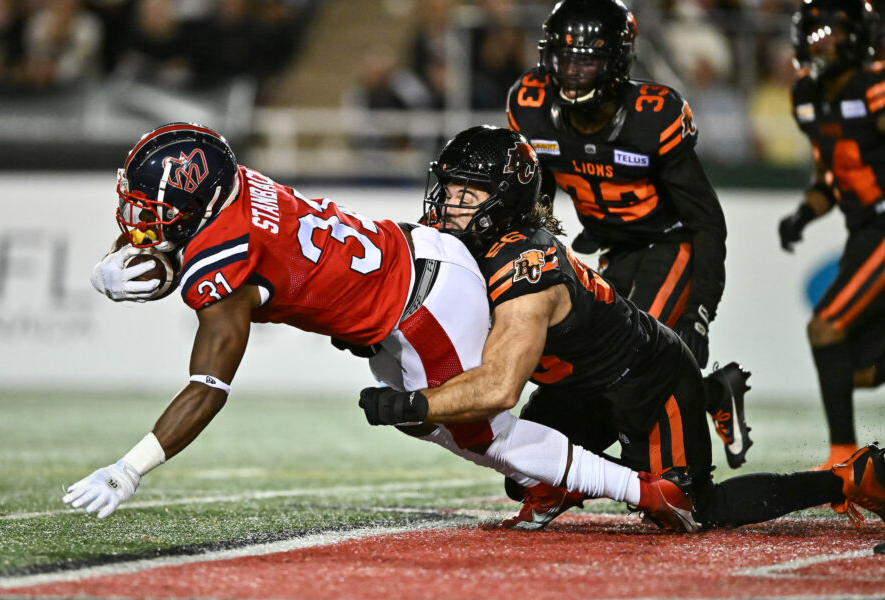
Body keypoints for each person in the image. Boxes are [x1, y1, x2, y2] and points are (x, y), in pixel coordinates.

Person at [61, 122, 694, 529]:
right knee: (428, 426)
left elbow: (210, 384)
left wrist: (130, 468)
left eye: (151, 210)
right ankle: (548, 481)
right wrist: (129, 261)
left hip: (421, 306)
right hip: (408, 270)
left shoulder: (220, 260)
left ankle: (643, 490)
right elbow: (199, 241)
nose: (138, 220)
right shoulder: (237, 187)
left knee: (479, 432)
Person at [358, 124, 885, 532]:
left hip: (646, 380)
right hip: (576, 384)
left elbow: (499, 388)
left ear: (507, 199)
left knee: (689, 511)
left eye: (467, 194)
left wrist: (419, 405)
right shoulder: (468, 246)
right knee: (527, 473)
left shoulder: (527, 266)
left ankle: (849, 478)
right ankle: (594, 476)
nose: (448, 204)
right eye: (447, 188)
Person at [503, 0, 753, 470]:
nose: (573, 72)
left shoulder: (653, 114)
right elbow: (538, 196)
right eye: (564, 58)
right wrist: (537, 252)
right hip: (614, 249)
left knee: (635, 361)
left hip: (670, 241)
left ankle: (633, 472)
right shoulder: (530, 105)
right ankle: (714, 391)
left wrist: (700, 311)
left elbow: (705, 219)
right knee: (593, 357)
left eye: (587, 59)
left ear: (617, 61)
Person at [780, 0, 885, 469]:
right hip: (865, 229)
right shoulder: (806, 94)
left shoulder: (878, 86)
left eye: (829, 31)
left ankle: (843, 461)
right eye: (812, 32)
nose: (819, 41)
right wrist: (805, 214)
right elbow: (832, 175)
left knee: (824, 327)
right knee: (857, 370)